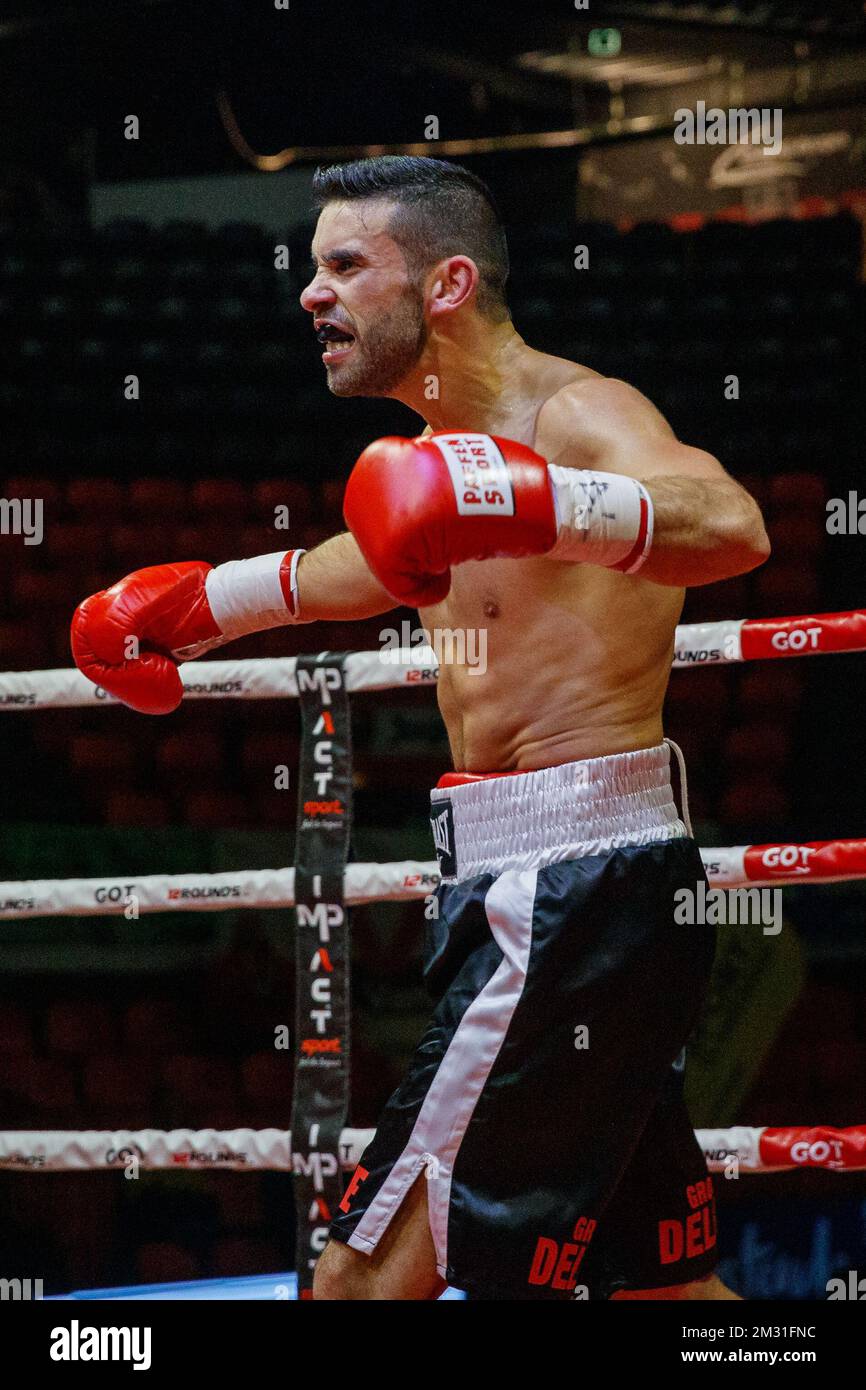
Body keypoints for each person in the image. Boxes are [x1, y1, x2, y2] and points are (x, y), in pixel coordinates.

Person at [71, 156, 770, 1300]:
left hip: (567, 887)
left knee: (352, 1287)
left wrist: (544, 497)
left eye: (345, 265)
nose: (311, 292)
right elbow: (364, 564)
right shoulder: (435, 465)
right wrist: (196, 609)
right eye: (312, 267)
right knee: (662, 1293)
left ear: (445, 284)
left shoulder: (573, 410)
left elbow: (729, 522)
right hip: (565, 897)